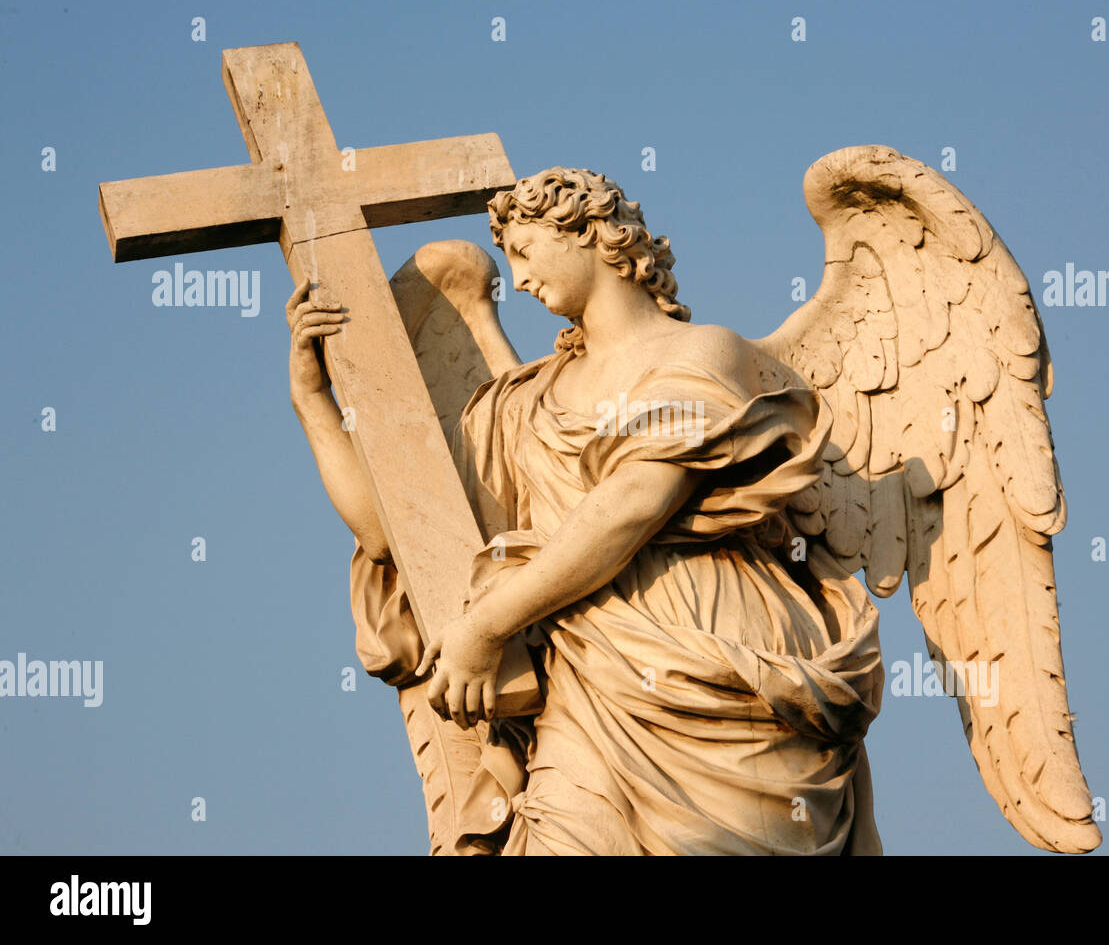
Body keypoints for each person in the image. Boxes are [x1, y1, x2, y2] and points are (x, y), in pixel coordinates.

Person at [288, 167, 885, 855]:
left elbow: (634, 503)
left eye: (524, 250)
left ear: (587, 234)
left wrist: (487, 624)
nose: (516, 280)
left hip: (715, 657)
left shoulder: (704, 352)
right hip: (587, 683)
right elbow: (391, 529)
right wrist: (312, 400)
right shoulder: (522, 404)